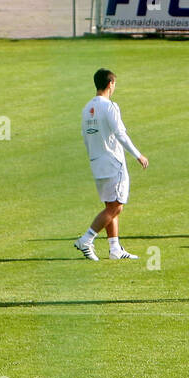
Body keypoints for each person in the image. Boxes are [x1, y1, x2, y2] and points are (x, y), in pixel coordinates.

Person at [75, 68, 148, 261]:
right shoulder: (110, 107)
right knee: (116, 207)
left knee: (110, 204)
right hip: (113, 162)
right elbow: (120, 134)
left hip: (96, 162)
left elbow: (85, 136)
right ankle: (86, 239)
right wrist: (138, 155)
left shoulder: (86, 108)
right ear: (110, 84)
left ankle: (115, 248)